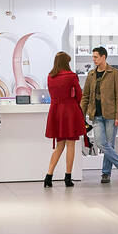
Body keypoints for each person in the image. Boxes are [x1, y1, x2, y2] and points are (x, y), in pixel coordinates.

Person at [80, 46, 118, 184]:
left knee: (109, 144)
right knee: (101, 143)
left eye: (95, 57)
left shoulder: (114, 73)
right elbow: (85, 95)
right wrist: (81, 113)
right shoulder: (91, 74)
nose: (93, 59)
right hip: (96, 115)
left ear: (103, 57)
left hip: (111, 115)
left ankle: (106, 173)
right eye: (93, 57)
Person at [44, 52, 83, 187]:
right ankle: (68, 177)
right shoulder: (71, 76)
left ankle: (48, 176)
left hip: (55, 111)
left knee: (59, 146)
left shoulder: (50, 76)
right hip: (70, 111)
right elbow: (79, 94)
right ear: (66, 62)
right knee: (70, 144)